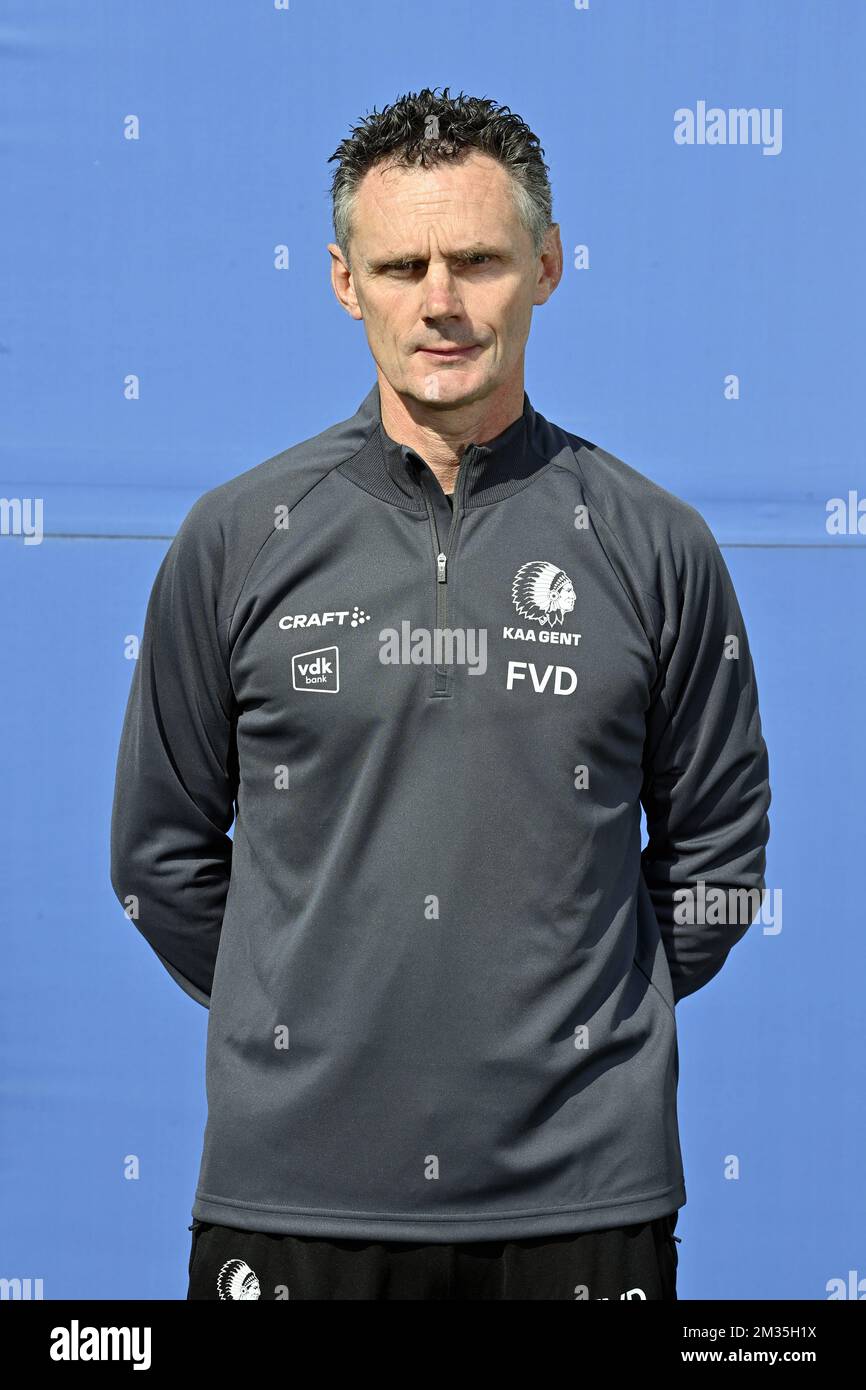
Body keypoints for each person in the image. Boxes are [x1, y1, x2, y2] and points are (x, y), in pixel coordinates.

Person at [110, 87, 771, 1301]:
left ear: (548, 267)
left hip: (582, 1196)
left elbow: (719, 861)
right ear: (341, 281)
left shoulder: (652, 543)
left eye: (476, 259)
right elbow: (159, 860)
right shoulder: (237, 537)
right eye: (401, 263)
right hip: (292, 1192)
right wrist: (316, 1004)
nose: (440, 300)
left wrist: (568, 1022)